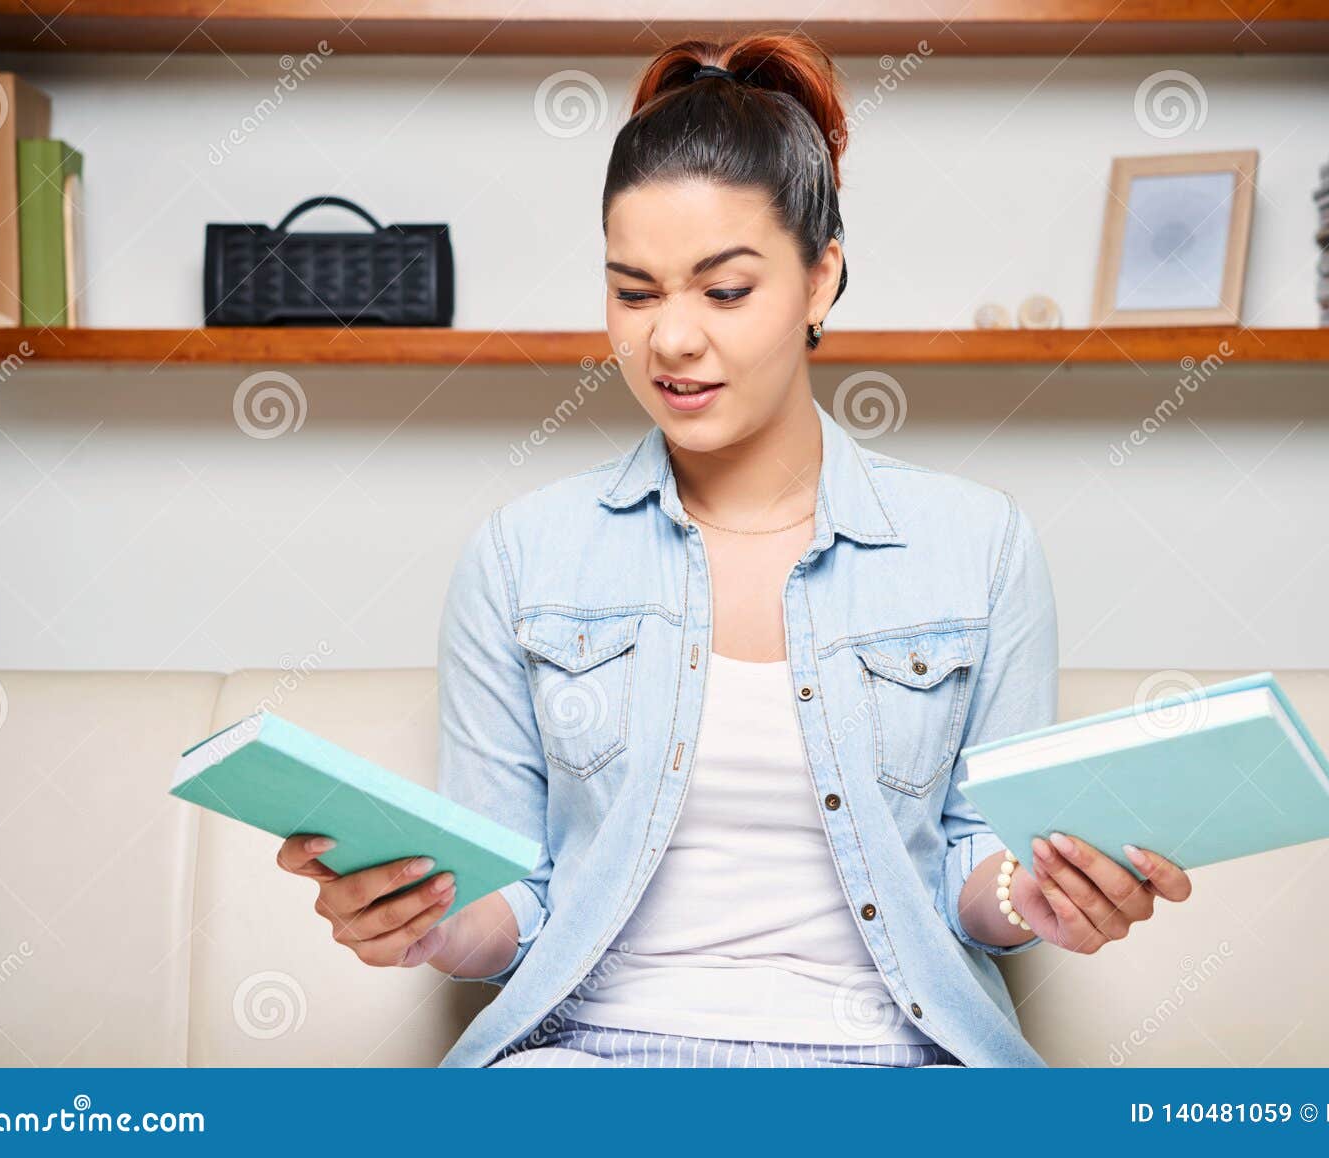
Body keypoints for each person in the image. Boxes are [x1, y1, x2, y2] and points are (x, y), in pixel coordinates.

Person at [276, 30, 1193, 1068]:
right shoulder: (521, 556)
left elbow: (973, 871)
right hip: (591, 1063)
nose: (670, 339)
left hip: (890, 1065)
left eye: (723, 291)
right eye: (634, 291)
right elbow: (512, 904)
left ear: (819, 283)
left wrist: (1034, 896)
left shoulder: (978, 548)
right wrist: (423, 920)